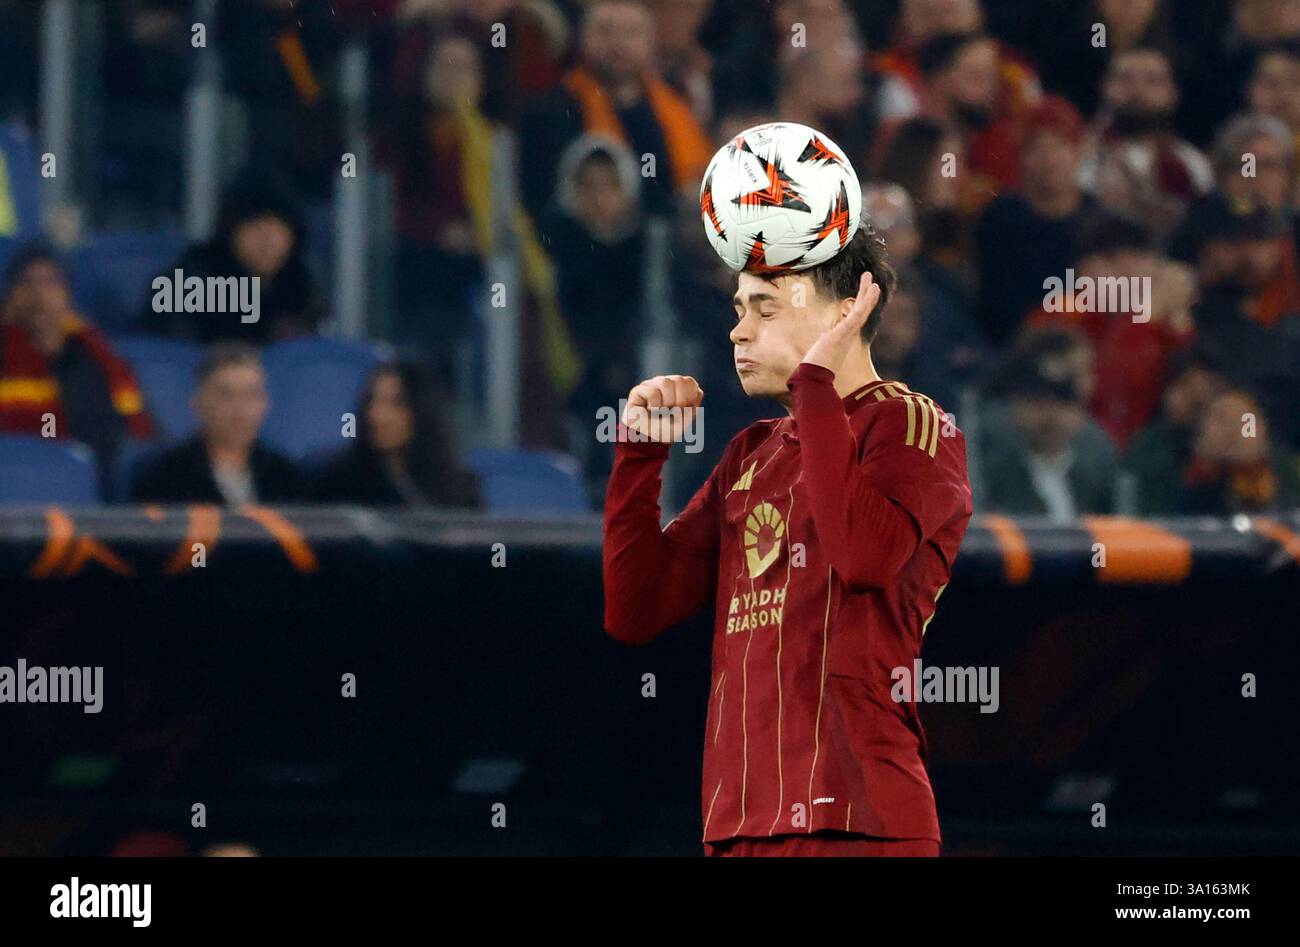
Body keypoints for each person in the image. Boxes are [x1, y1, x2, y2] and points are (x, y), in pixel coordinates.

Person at [602, 224, 973, 856]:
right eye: (739, 310)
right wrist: (639, 456)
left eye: (764, 308)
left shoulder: (911, 423)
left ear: (847, 308)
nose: (738, 331)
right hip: (738, 826)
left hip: (857, 821)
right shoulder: (751, 453)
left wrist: (815, 384)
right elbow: (636, 611)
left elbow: (862, 557)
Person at [0, 243, 154, 485]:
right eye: (26, 283)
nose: (39, 294)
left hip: (87, 483)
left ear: (67, 293)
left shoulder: (97, 355)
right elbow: (40, 430)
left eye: (50, 282)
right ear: (10, 295)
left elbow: (133, 429)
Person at [140, 171, 322, 345]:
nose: (267, 239)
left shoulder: (299, 284)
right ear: (230, 232)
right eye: (254, 225)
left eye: (277, 226)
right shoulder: (191, 280)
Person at [131, 343, 305, 505]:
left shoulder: (288, 478)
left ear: (266, 403)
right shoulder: (162, 478)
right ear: (198, 401)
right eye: (225, 394)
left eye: (252, 395)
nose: (240, 410)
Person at [312, 362, 481, 508]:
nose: (377, 415)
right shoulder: (339, 484)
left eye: (396, 404)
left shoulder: (458, 487)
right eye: (372, 401)